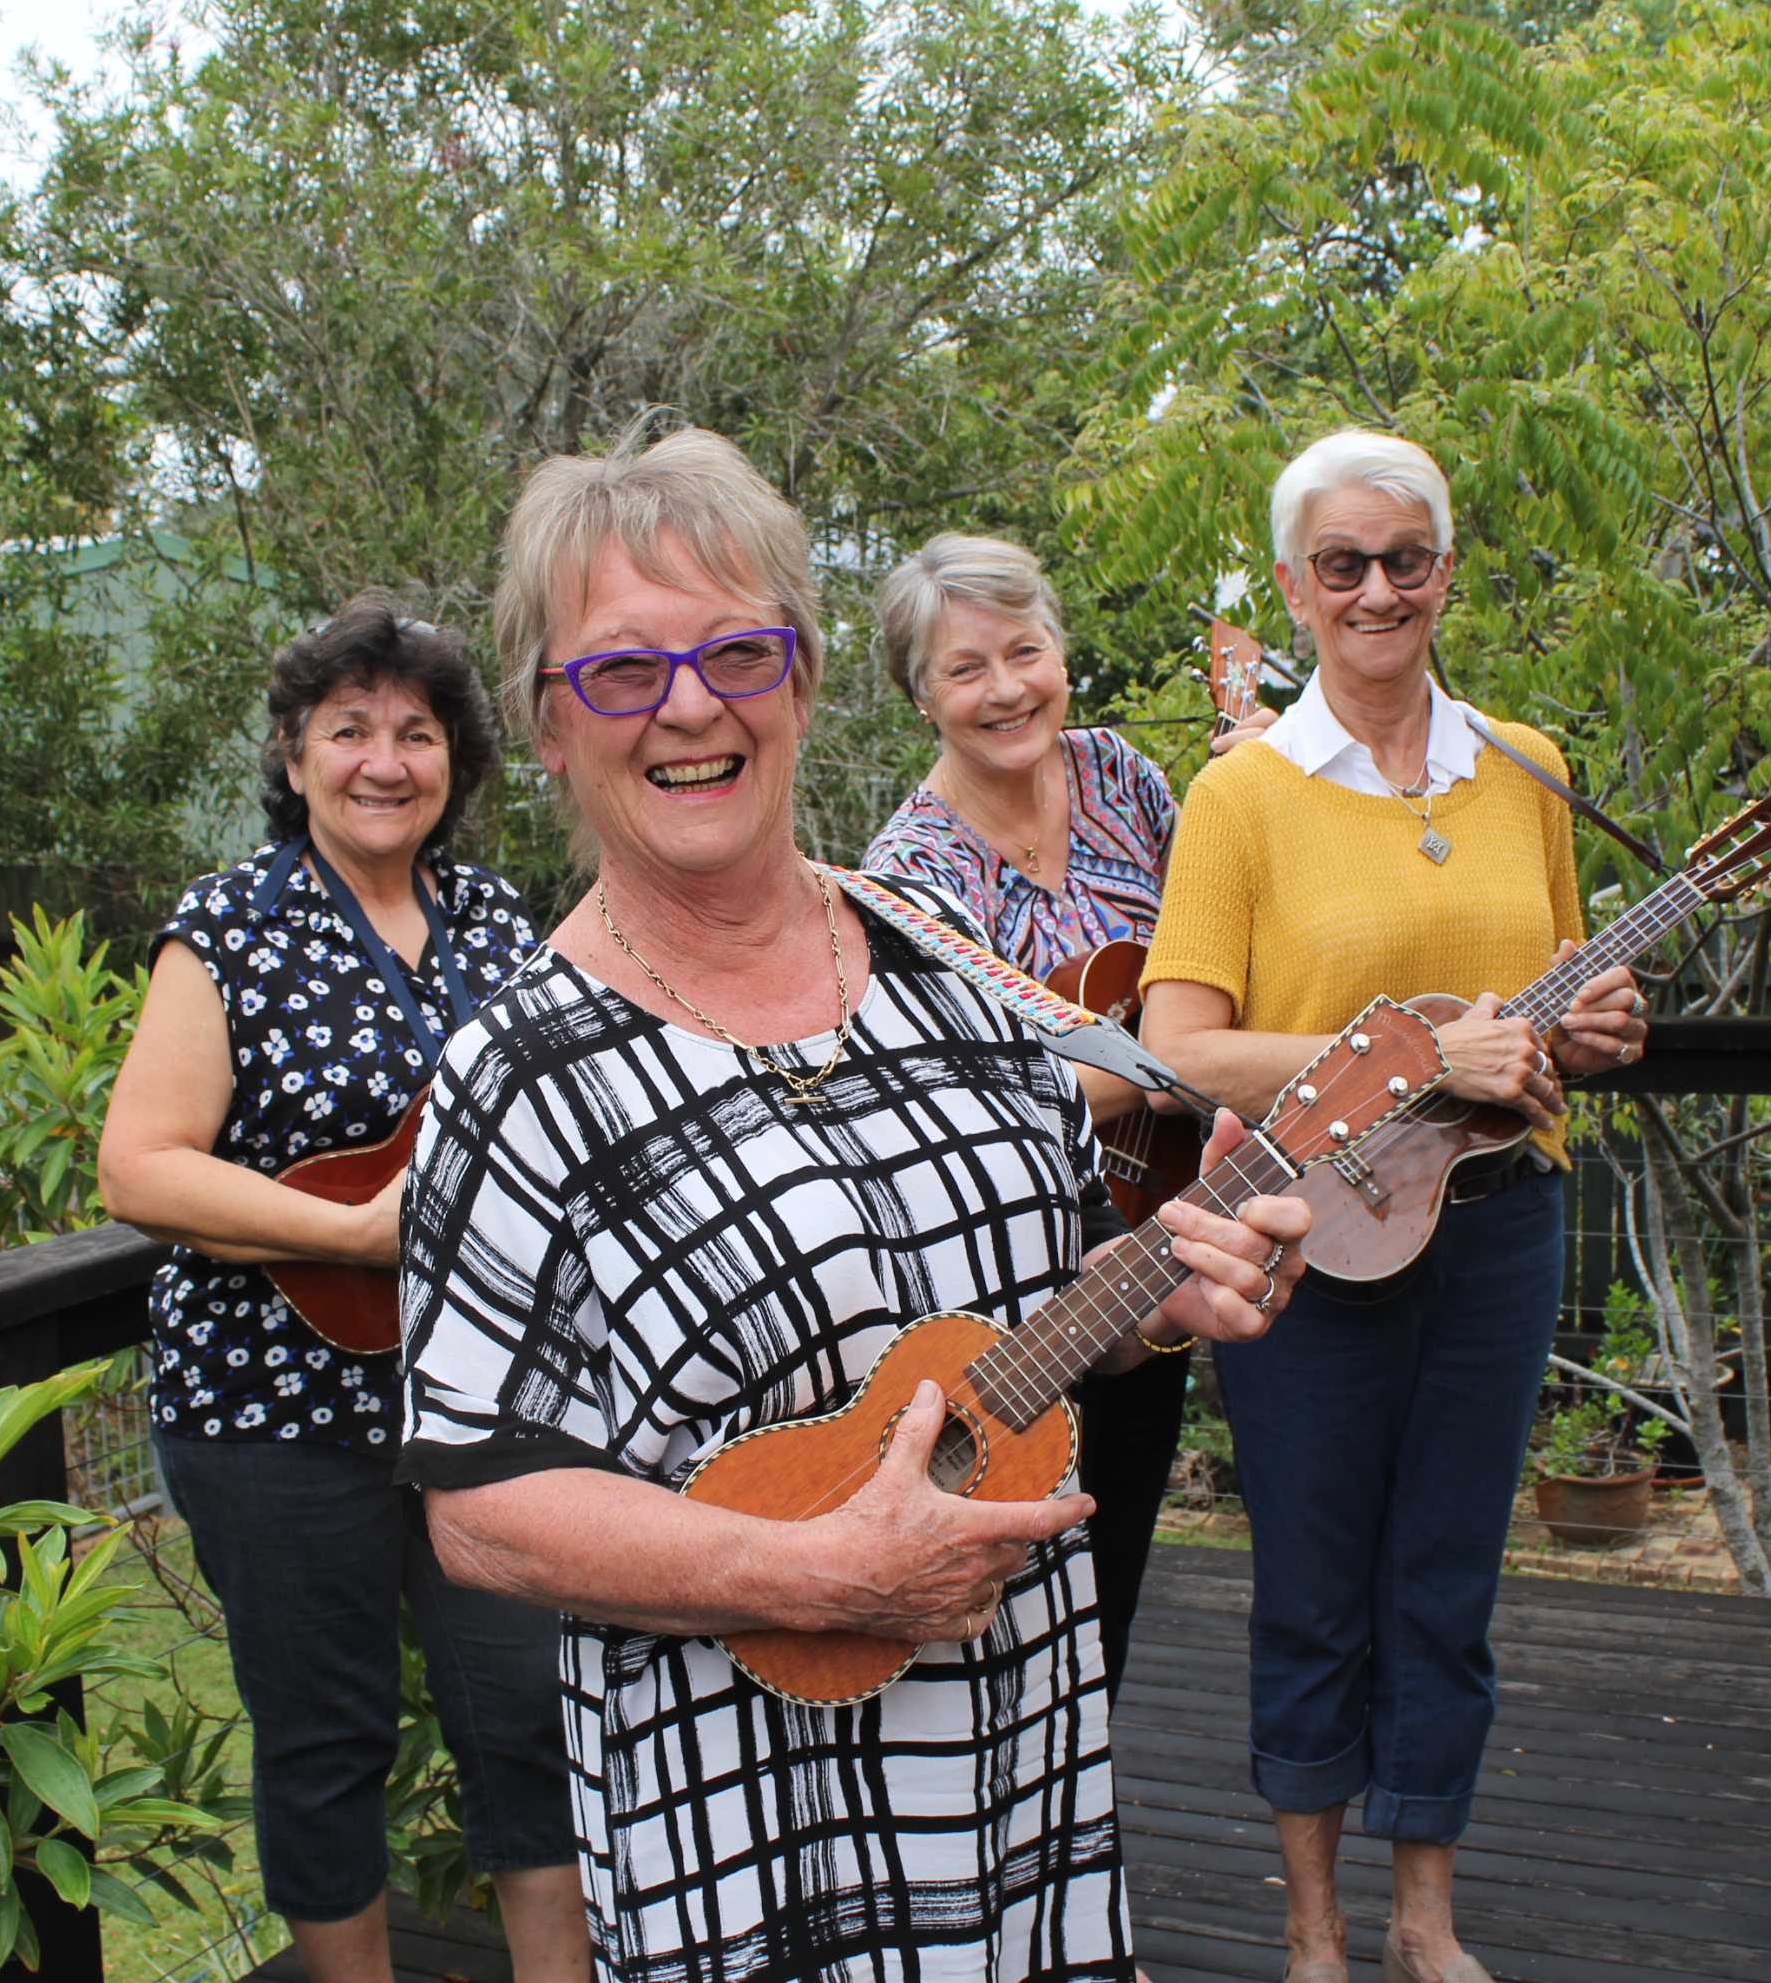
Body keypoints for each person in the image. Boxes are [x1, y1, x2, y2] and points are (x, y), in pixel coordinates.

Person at [394, 425, 1314, 1982]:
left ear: (806, 678)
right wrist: (812, 1576)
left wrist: (1163, 1282)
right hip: (743, 1825)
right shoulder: (520, 1069)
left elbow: (1017, 1298)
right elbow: (479, 1506)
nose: (690, 707)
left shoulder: (946, 958)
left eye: (736, 651)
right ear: (552, 725)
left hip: (1024, 1758)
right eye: (623, 672)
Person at [1138, 430, 1648, 1983]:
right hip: (1308, 1227)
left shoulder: (1527, 765)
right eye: (1343, 565)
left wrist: (1594, 1031)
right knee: (1312, 1570)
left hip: (1495, 1216)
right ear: (1296, 587)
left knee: (1449, 1574)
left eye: (1406, 558)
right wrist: (1414, 1049)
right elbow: (1178, 1048)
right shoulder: (1245, 795)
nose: (1378, 590)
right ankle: (1313, 1930)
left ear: (1446, 572)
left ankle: (1427, 1915)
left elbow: (1550, 1008)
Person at [96, 597, 587, 1983]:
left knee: (531, 1713)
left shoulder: (495, 917)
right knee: (327, 1738)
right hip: (273, 1412)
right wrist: (360, 1235)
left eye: (417, 733)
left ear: (455, 764)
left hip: (488, 1394)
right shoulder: (230, 926)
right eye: (350, 730)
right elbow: (139, 1166)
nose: (385, 760)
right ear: (294, 756)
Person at [860, 531, 1275, 1685]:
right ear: (918, 694)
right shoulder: (908, 870)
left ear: (1061, 653)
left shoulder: (1125, 778)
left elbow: (1229, 941)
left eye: (1024, 651)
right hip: (1018, 1271)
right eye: (964, 668)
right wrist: (1171, 1054)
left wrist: (1266, 789)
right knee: (1007, 1599)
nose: (1005, 688)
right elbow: (972, 1092)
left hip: (1163, 1230)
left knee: (1116, 1594)